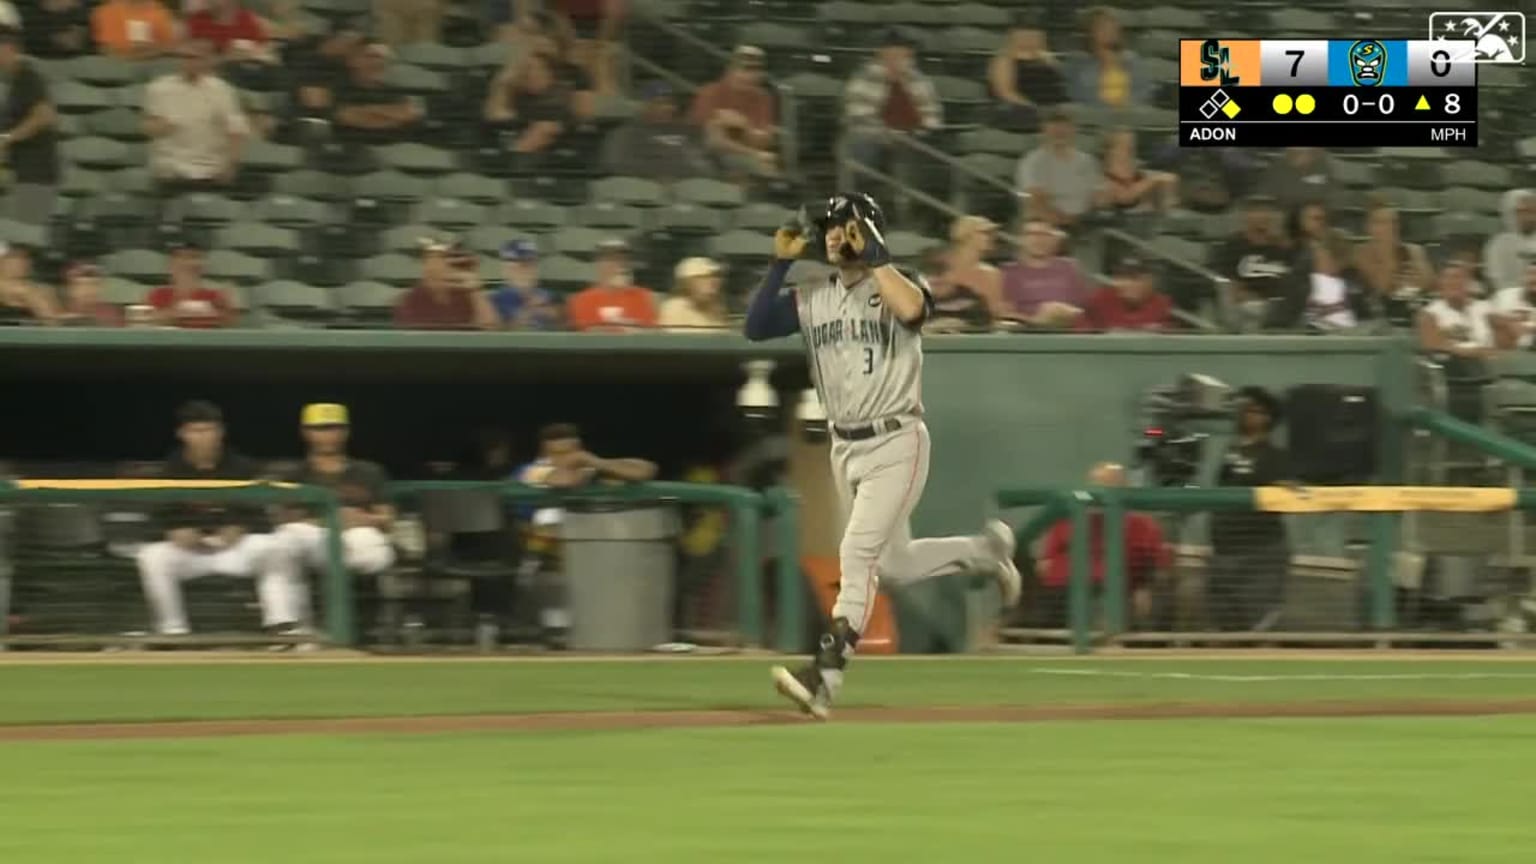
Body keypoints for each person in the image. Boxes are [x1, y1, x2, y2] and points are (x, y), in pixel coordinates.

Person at [743, 193, 1021, 720]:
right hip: (844, 446)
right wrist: (779, 264)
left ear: (868, 230)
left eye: (842, 225)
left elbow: (916, 311)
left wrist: (875, 253)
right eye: (826, 226)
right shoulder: (815, 294)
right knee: (890, 564)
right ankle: (984, 551)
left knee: (856, 557)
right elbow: (756, 327)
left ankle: (824, 676)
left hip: (897, 439)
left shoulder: (898, 284)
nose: (831, 234)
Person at [135, 400, 302, 637]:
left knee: (276, 548)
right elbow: (157, 518)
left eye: (208, 430)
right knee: (151, 557)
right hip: (190, 552)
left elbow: (260, 515)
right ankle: (173, 632)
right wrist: (175, 530)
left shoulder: (243, 467)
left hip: (233, 549)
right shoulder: (169, 471)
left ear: (220, 432)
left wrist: (240, 527)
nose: (203, 437)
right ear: (182, 434)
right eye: (196, 431)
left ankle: (281, 624)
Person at [516, 421, 657, 644]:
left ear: (578, 448)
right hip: (545, 561)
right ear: (544, 452)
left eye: (567, 452)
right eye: (556, 453)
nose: (563, 458)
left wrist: (594, 462)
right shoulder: (532, 471)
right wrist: (580, 466)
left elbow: (645, 470)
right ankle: (556, 639)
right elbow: (563, 480)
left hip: (595, 555)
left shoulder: (590, 466)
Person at [271, 403, 396, 623]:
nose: (328, 435)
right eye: (320, 428)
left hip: (357, 536)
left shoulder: (368, 471)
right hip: (313, 538)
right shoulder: (293, 474)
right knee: (285, 541)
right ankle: (295, 629)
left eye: (334, 428)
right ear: (306, 432)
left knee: (376, 550)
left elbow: (387, 519)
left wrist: (363, 519)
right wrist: (329, 521)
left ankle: (341, 623)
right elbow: (282, 519)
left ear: (346, 432)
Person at [1032, 461, 1168, 628]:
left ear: (1123, 489)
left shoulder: (1143, 525)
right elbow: (1045, 563)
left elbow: (1156, 567)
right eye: (1095, 484)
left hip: (1120, 594)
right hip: (1065, 594)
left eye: (1108, 484)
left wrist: (1144, 588)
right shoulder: (1067, 520)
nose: (1099, 490)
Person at [1207, 386, 1291, 632]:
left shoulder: (1276, 456)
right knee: (1224, 621)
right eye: (1245, 409)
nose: (1247, 415)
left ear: (1268, 418)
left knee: (1258, 624)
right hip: (1224, 550)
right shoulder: (1230, 453)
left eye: (1255, 411)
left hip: (1260, 552)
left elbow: (1285, 490)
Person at [143, 39, 251, 194]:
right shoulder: (159, 88)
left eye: (194, 58)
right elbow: (147, 126)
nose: (188, 62)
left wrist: (231, 165)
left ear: (207, 61)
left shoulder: (222, 90)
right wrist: (158, 128)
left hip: (210, 170)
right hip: (171, 169)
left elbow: (236, 130)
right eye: (184, 57)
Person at [842, 30, 943, 174]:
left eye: (904, 57)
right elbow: (860, 117)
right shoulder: (864, 79)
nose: (898, 62)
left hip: (912, 138)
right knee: (862, 146)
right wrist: (891, 137)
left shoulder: (919, 80)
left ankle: (905, 195)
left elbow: (932, 115)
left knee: (920, 150)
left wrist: (918, 133)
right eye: (893, 57)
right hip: (873, 138)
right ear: (881, 57)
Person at [689, 45, 777, 179]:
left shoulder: (763, 97)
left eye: (756, 70)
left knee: (767, 170)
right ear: (730, 69)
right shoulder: (709, 92)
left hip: (741, 155)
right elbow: (714, 142)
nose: (750, 76)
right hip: (703, 154)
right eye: (745, 69)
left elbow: (764, 141)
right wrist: (754, 152)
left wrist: (745, 125)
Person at [0, 26, 59, 226]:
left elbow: (44, 116)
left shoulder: (28, 76)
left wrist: (10, 138)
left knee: (29, 230)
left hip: (36, 171)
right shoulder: (12, 80)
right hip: (21, 170)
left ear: (10, 49)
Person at [600, 80, 713, 180]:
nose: (668, 108)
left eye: (670, 103)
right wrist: (657, 175)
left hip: (691, 189)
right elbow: (616, 164)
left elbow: (705, 162)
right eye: (660, 103)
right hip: (644, 191)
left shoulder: (688, 132)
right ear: (644, 105)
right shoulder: (624, 134)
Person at [1213, 195, 1297, 329]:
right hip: (1245, 306)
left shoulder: (1284, 248)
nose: (1263, 215)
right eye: (1257, 210)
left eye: (1267, 210)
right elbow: (1228, 284)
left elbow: (1294, 281)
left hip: (1279, 306)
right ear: (1246, 216)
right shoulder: (1233, 245)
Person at [1353, 197, 1433, 326]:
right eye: (1382, 222)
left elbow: (1427, 284)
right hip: (1376, 317)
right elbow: (1381, 289)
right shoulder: (1361, 254)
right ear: (1369, 227)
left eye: (1393, 222)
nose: (1390, 227)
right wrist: (1389, 254)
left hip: (1412, 314)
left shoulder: (1414, 251)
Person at [1015, 107, 1098, 230]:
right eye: (1054, 125)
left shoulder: (1087, 161)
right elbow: (1034, 199)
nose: (1060, 130)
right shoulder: (1032, 161)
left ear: (1073, 129)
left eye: (1065, 125)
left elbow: (1097, 196)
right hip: (1047, 226)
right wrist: (1063, 221)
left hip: (1085, 225)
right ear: (1044, 129)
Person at [998, 220, 1090, 327]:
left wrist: (1060, 312)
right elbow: (1006, 314)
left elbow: (1085, 308)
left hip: (1068, 329)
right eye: (1032, 234)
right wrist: (1037, 320)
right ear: (1022, 239)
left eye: (1045, 235)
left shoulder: (1069, 267)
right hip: (1029, 332)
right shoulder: (1010, 272)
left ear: (1053, 240)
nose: (1038, 240)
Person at [332, 41, 423, 146]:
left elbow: (409, 114)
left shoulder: (395, 91)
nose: (379, 62)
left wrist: (367, 112)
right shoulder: (338, 87)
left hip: (393, 152)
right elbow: (346, 117)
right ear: (353, 60)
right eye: (372, 57)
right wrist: (392, 116)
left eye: (385, 59)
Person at [393, 241, 497, 331]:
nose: (443, 264)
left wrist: (475, 290)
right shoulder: (410, 300)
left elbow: (489, 327)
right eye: (436, 259)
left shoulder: (465, 293)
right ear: (425, 265)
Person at [483, 51, 571, 156]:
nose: (529, 73)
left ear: (550, 74)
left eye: (536, 69)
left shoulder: (556, 99)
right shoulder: (520, 96)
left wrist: (510, 157)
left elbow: (543, 131)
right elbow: (494, 116)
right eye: (525, 69)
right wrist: (503, 85)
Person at [1065, 7, 1150, 110]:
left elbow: (1143, 95)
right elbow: (1078, 95)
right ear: (1091, 32)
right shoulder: (1078, 62)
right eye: (1103, 26)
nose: (1110, 30)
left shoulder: (1132, 60)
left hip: (1128, 118)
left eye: (1113, 26)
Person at [987, 21, 1066, 129]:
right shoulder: (1004, 60)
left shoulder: (1048, 59)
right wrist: (1033, 108)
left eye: (1035, 37)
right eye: (1026, 37)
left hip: (1051, 109)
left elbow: (1066, 83)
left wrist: (1052, 62)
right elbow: (1005, 92)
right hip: (1018, 109)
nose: (1030, 41)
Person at [566, 239, 656, 331]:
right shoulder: (582, 301)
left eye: (624, 259)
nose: (621, 264)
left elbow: (650, 334)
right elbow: (588, 335)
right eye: (612, 260)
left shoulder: (643, 296)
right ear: (599, 265)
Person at [146, 242, 236, 328]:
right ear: (172, 265)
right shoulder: (158, 295)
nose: (190, 263)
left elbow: (227, 323)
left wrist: (225, 307)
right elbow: (149, 321)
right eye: (184, 257)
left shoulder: (215, 296)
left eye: (195, 257)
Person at [1417, 261, 1495, 359]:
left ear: (1468, 283)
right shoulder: (1429, 314)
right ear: (1440, 284)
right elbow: (1434, 346)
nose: (1452, 282)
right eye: (1447, 278)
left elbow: (1506, 340)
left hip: (1492, 365)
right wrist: (1475, 352)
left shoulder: (1485, 307)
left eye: (1457, 277)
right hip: (1454, 368)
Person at [1095, 128, 1176, 218]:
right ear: (1110, 150)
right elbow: (1124, 197)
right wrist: (1152, 181)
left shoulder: (1136, 169)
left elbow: (1169, 179)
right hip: (1112, 221)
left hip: (1143, 217)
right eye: (1123, 146)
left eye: (1131, 146)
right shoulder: (1100, 175)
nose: (1129, 150)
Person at [1081, 256, 1172, 331]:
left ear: (1150, 281)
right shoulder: (1100, 300)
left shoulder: (1161, 304)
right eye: (1122, 278)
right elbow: (1082, 334)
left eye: (1135, 279)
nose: (1128, 283)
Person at [490, 239, 561, 330]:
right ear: (506, 269)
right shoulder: (495, 300)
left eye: (530, 264)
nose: (526, 271)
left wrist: (551, 312)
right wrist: (529, 310)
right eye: (521, 266)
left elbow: (564, 329)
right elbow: (496, 333)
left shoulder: (551, 297)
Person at [1484, 189, 1536, 293]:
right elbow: (1497, 281)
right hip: (1508, 300)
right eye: (1521, 212)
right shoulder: (1498, 245)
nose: (1527, 217)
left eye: (1531, 211)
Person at [658, 256, 727, 331]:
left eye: (714, 277)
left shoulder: (716, 309)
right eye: (703, 278)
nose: (713, 283)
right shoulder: (674, 309)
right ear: (687, 283)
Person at [92, 0, 178, 59]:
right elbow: (106, 50)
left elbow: (168, 48)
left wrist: (150, 52)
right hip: (115, 69)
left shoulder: (161, 14)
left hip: (152, 68)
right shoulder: (107, 12)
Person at [0, 243, 58, 324]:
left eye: (26, 258)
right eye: (14, 258)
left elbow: (57, 326)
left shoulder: (44, 290)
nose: (22, 263)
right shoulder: (27, 291)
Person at [57, 261, 124, 326]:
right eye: (81, 285)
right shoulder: (57, 310)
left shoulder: (111, 314)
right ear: (69, 288)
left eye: (94, 285)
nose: (88, 291)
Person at [1491, 262, 1536, 350]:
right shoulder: (1504, 296)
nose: (1534, 279)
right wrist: (1510, 321)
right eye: (1531, 273)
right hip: (1504, 352)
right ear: (1522, 277)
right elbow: (1488, 319)